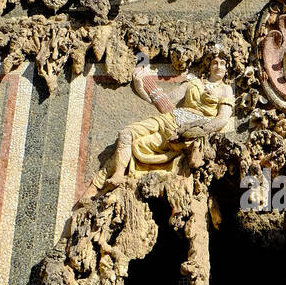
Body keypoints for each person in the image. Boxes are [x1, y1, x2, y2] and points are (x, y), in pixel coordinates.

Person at [87, 45, 235, 195]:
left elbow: (221, 119)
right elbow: (165, 101)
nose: (218, 66)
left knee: (138, 145)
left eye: (222, 64)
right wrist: (140, 88)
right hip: (170, 118)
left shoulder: (226, 90)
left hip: (189, 133)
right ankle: (118, 174)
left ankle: (98, 185)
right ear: (208, 65)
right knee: (126, 133)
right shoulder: (193, 83)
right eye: (215, 63)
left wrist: (192, 131)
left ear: (227, 68)